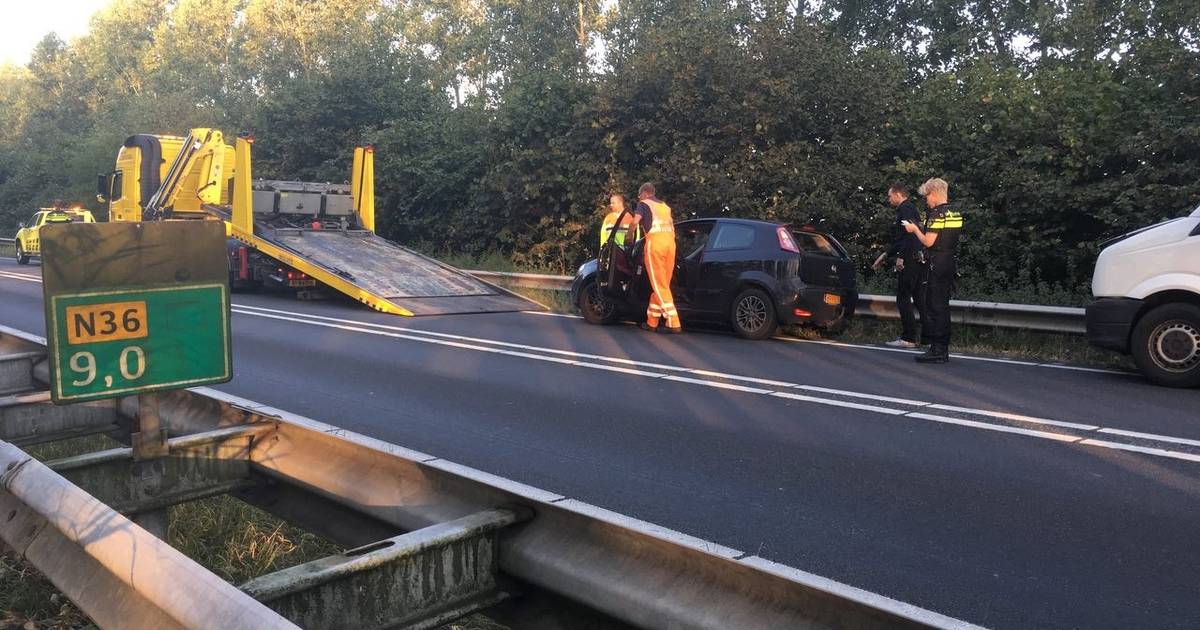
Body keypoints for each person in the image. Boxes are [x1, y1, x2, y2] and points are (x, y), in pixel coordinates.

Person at [904, 178, 964, 363]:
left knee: (933, 305)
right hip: (949, 262)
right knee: (943, 306)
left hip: (936, 263)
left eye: (927, 196)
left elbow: (929, 242)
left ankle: (937, 349)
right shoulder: (955, 212)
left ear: (935, 194)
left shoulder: (937, 214)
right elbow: (945, 236)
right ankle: (942, 348)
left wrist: (915, 229)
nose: (926, 200)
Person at [872, 182, 925, 348]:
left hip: (910, 260)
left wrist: (902, 257)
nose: (888, 199)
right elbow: (902, 239)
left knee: (903, 298)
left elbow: (910, 236)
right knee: (919, 299)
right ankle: (929, 338)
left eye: (889, 196)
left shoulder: (905, 209)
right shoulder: (910, 209)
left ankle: (909, 338)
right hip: (916, 259)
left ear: (897, 194)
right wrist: (886, 254)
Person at [633, 182, 681, 333]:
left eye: (639, 195)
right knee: (662, 284)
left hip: (655, 245)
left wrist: (629, 234)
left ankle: (673, 321)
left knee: (659, 284)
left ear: (645, 193)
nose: (638, 198)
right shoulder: (665, 207)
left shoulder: (643, 204)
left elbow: (635, 221)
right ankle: (652, 322)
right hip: (670, 246)